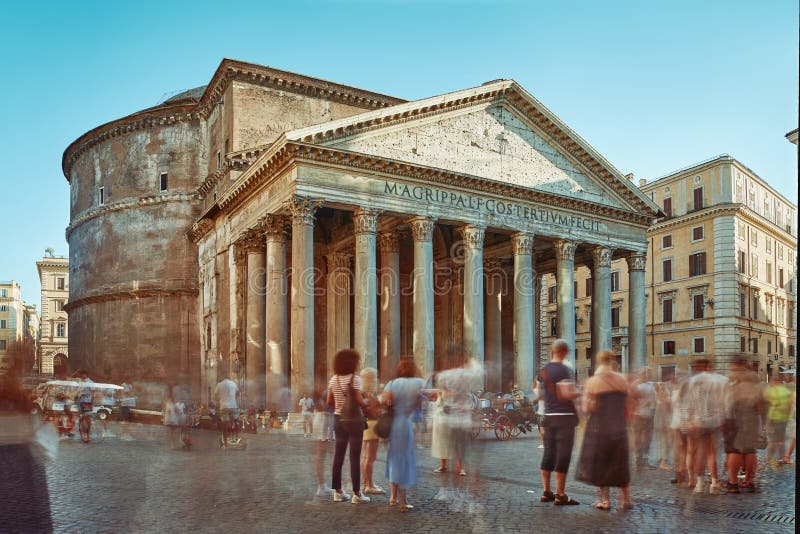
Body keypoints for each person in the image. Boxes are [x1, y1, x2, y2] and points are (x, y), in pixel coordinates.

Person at [576, 350, 632, 510]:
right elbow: (629, 405)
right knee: (620, 463)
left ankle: (606, 501)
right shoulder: (622, 380)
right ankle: (626, 499)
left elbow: (588, 407)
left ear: (599, 363)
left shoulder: (593, 381)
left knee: (601, 464)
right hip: (619, 427)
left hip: (599, 429)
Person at [538, 339, 581, 506]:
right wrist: (578, 392)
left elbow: (541, 394)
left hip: (548, 416)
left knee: (548, 453)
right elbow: (565, 394)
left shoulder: (544, 370)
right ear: (563, 352)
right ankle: (560, 494)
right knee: (563, 455)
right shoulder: (564, 370)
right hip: (564, 417)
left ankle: (546, 491)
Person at [327, 349, 370, 504]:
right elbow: (360, 402)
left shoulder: (334, 379)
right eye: (356, 361)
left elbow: (329, 401)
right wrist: (367, 401)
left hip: (339, 419)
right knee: (354, 457)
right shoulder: (355, 379)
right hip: (354, 421)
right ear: (351, 362)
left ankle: (337, 492)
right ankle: (357, 494)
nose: (358, 364)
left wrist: (341, 404)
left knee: (338, 456)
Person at [382, 357, 425, 512]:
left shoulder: (392, 383)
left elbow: (384, 401)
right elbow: (426, 400)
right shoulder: (419, 382)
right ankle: (403, 501)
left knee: (394, 458)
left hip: (394, 424)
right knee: (405, 460)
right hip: (406, 424)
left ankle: (393, 497)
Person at [681, 359, 728, 494]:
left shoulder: (692, 382)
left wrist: (688, 421)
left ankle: (700, 483)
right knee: (711, 452)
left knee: (698, 452)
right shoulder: (718, 380)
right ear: (708, 367)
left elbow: (687, 404)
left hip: (696, 421)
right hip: (712, 420)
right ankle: (714, 483)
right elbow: (725, 402)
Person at [723, 359, 765, 493]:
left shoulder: (733, 382)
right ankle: (749, 480)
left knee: (734, 451)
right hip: (753, 419)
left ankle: (733, 483)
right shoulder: (757, 383)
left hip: (735, 418)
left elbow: (726, 403)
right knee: (750, 451)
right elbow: (762, 405)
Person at [360, 367, 385, 495]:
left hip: (366, 425)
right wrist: (381, 409)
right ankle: (369, 485)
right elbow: (376, 411)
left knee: (365, 457)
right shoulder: (370, 395)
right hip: (372, 425)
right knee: (370, 458)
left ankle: (366, 483)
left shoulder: (363, 393)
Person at [763, 374, 792, 467]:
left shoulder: (770, 391)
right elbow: (790, 405)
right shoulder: (786, 391)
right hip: (783, 418)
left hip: (772, 418)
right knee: (782, 440)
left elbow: (764, 403)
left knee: (772, 440)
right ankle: (781, 458)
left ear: (774, 381)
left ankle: (770, 458)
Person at [631, 368, 656, 470]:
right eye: (644, 374)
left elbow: (653, 400)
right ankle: (638, 462)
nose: (646, 375)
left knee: (647, 439)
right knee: (638, 439)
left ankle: (644, 461)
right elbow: (631, 400)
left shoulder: (650, 385)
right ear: (639, 374)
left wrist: (653, 411)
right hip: (638, 415)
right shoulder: (635, 386)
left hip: (649, 415)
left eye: (647, 374)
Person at [214, 374, 240, 448]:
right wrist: (233, 398)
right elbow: (238, 393)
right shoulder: (233, 383)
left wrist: (220, 399)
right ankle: (236, 437)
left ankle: (225, 444)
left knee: (224, 427)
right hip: (233, 406)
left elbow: (215, 396)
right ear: (229, 377)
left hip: (224, 407)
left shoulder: (219, 384)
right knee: (236, 421)